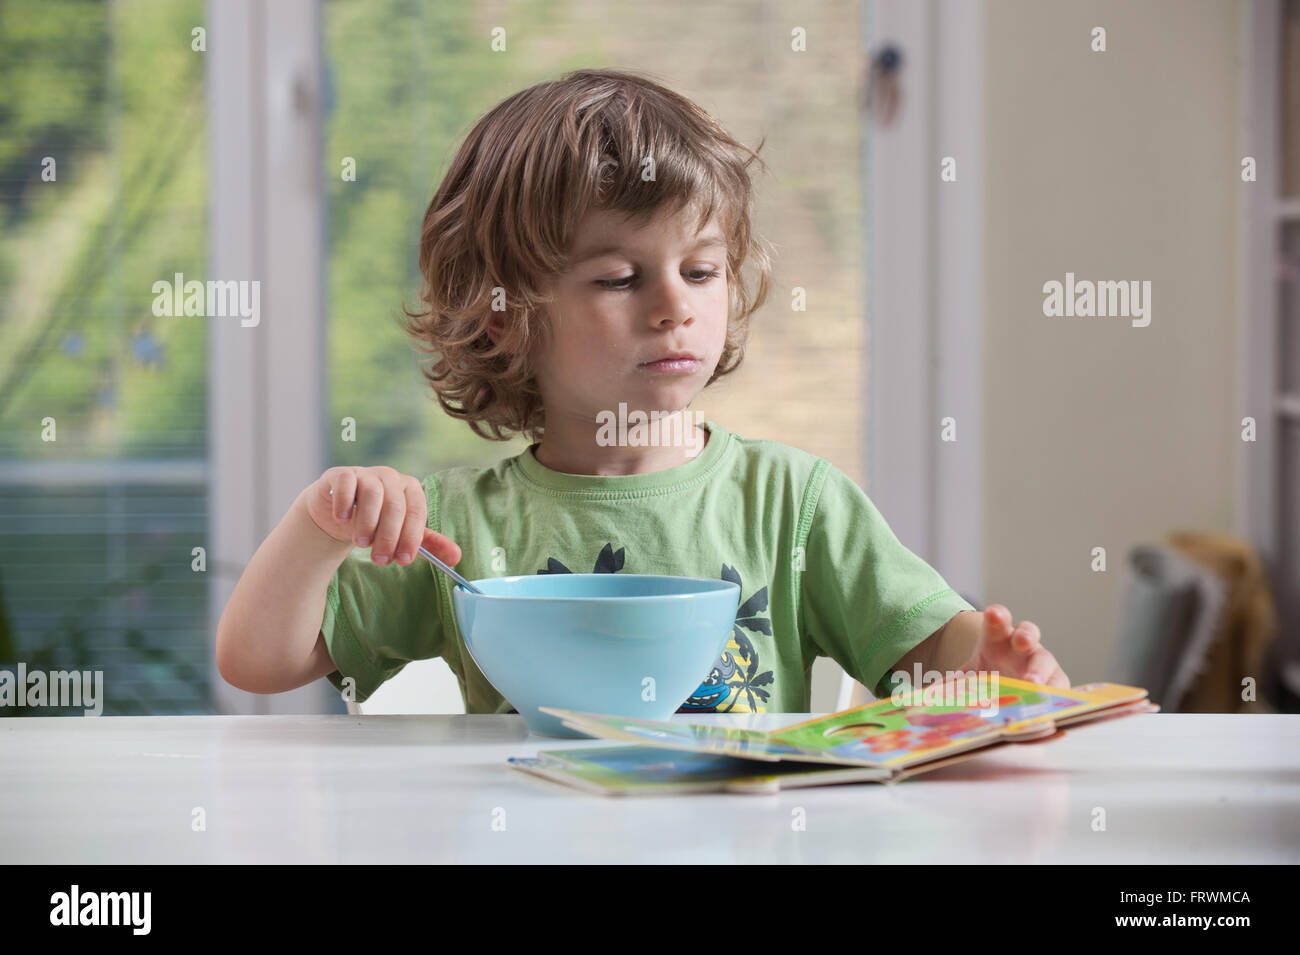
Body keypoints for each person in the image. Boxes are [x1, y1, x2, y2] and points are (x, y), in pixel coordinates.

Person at [216, 68, 1068, 715]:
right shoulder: (454, 528)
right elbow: (257, 660)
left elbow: (934, 667)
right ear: (503, 318)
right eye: (621, 278)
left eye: (701, 270)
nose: (674, 307)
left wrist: (991, 667)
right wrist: (317, 529)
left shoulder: (795, 502)